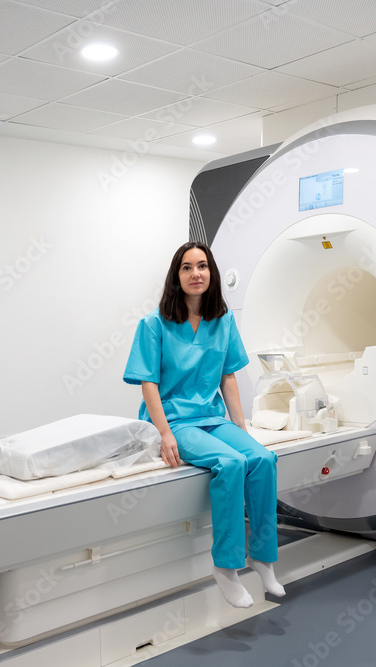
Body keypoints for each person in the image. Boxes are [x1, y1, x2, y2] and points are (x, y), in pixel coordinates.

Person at [123, 241, 285, 608]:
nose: (195, 273)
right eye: (186, 267)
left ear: (211, 273)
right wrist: (163, 433)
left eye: (202, 266)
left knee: (261, 459)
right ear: (175, 275)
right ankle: (226, 568)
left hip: (212, 417)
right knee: (231, 464)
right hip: (175, 419)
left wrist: (241, 427)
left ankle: (262, 557)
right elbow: (148, 382)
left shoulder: (222, 321)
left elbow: (228, 377)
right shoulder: (154, 324)